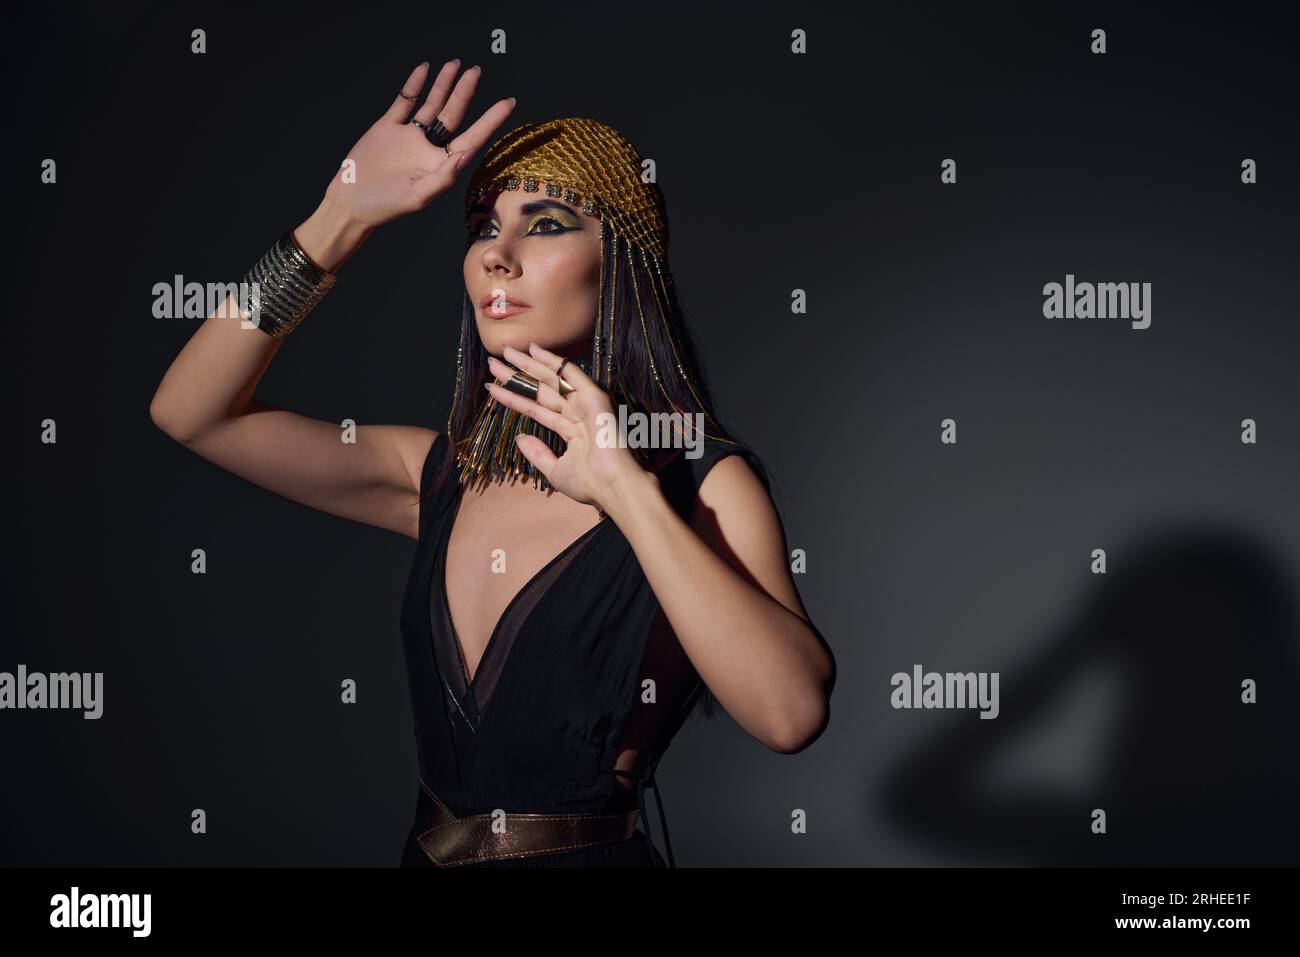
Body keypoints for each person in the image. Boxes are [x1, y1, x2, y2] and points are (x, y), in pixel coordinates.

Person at [149, 60, 834, 868]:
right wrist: (337, 219)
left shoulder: (702, 480)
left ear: (621, 264)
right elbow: (191, 411)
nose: (495, 256)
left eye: (544, 224)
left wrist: (623, 487)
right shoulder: (438, 473)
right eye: (482, 226)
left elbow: (790, 714)